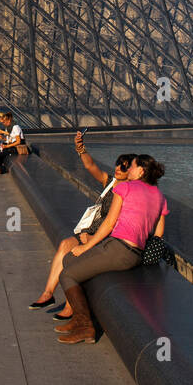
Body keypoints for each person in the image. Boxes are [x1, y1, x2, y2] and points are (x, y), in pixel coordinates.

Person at [54, 154, 168, 345]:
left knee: (67, 275)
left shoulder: (124, 187)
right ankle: (78, 317)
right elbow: (159, 233)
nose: (127, 170)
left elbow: (108, 223)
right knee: (69, 260)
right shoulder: (159, 196)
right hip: (134, 253)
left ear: (141, 171)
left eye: (131, 167)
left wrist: (87, 246)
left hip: (118, 249)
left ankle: (85, 326)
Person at [29, 132, 136, 319]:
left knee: (74, 260)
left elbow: (116, 224)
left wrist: (92, 241)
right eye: (118, 163)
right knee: (64, 245)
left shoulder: (130, 193)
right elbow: (90, 165)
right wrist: (80, 147)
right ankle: (48, 293)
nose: (119, 168)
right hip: (91, 232)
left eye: (124, 167)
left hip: (105, 239)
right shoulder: (110, 183)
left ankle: (71, 308)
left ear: (132, 172)